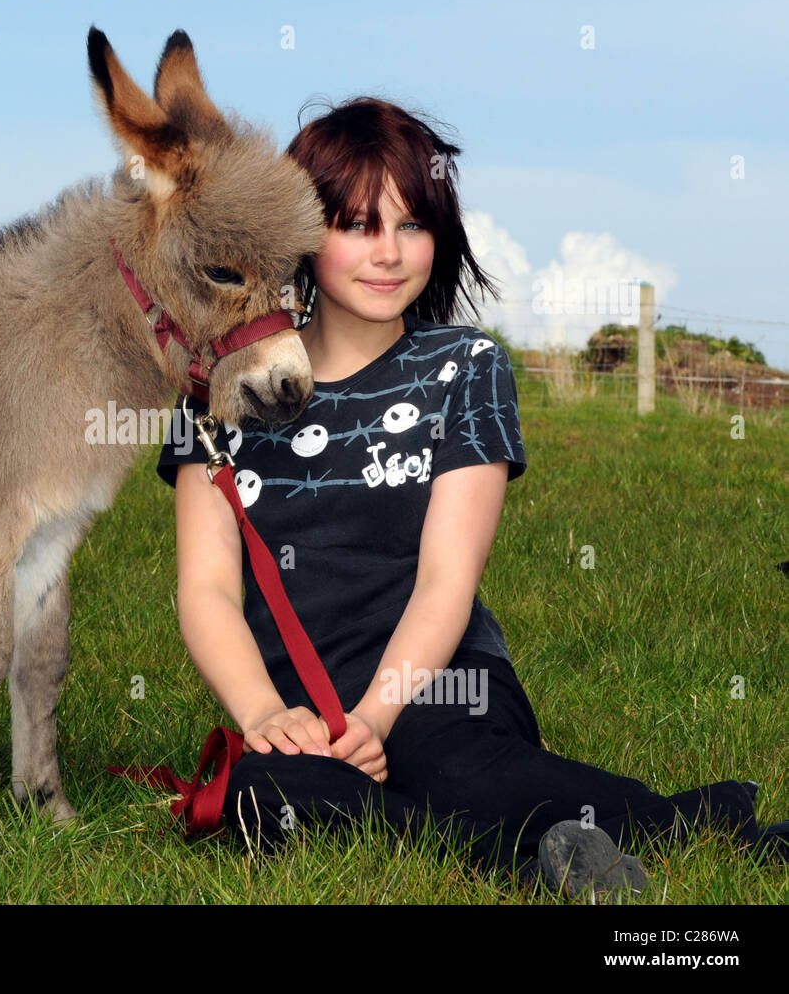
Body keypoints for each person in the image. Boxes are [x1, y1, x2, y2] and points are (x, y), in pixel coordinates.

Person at [154, 96, 787, 898]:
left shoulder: (467, 368)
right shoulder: (216, 391)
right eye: (358, 225)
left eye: (411, 224)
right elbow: (206, 586)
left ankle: (711, 828)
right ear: (304, 238)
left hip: (438, 685)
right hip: (298, 704)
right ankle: (541, 857)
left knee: (458, 770)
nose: (389, 252)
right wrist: (264, 716)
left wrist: (375, 720)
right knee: (260, 795)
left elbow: (445, 580)